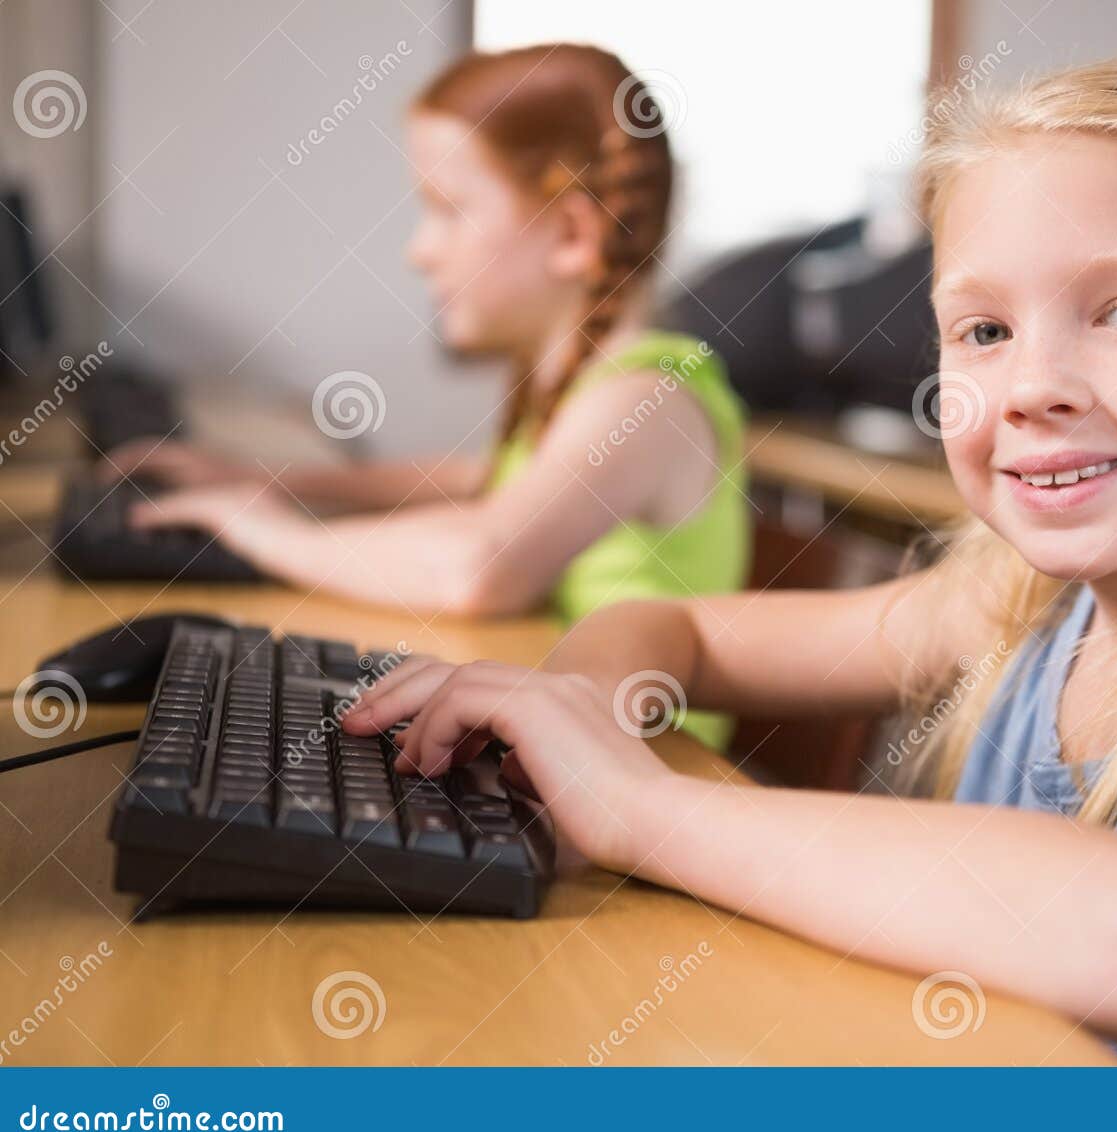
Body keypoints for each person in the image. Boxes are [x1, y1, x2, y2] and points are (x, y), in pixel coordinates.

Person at [345, 51, 1117, 1065]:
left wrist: (641, 806)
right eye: (983, 330)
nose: (1033, 386)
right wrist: (575, 704)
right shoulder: (1015, 599)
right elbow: (680, 632)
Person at [107, 46, 750, 726]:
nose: (420, 249)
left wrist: (258, 530)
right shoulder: (586, 382)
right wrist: (273, 478)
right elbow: (483, 480)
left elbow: (480, 563)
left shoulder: (647, 397)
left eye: (449, 209)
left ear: (570, 232)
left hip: (641, 788)